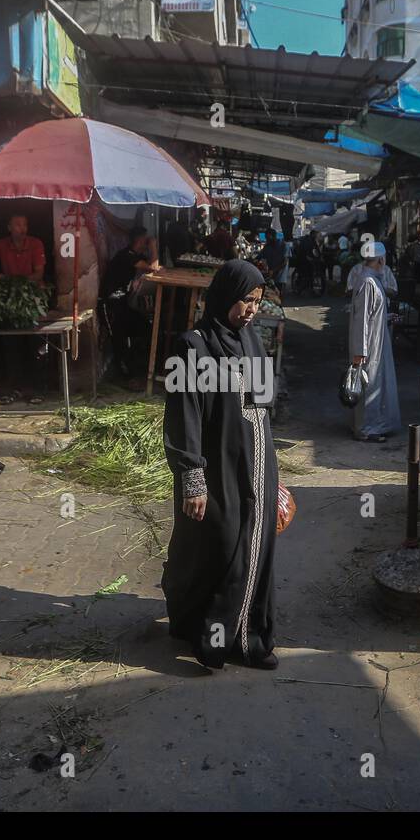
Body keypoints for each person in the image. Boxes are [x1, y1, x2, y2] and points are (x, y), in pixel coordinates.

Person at [162, 260, 279, 671]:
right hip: (218, 469)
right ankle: (211, 637)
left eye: (257, 301)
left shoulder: (252, 341)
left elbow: (264, 407)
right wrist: (192, 479)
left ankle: (249, 639)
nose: (250, 309)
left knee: (256, 547)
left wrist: (273, 481)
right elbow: (184, 415)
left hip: (259, 463)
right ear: (226, 295)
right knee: (221, 545)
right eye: (246, 299)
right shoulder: (192, 345)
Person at [348, 241, 402, 443]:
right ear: (381, 259)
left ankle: (372, 425)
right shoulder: (368, 283)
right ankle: (366, 429)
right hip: (369, 346)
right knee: (368, 386)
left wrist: (388, 317)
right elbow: (361, 319)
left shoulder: (372, 280)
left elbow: (372, 316)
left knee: (373, 385)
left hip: (376, 342)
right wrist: (359, 351)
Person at [102, 227, 160, 378]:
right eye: (145, 240)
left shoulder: (133, 255)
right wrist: (153, 246)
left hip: (122, 301)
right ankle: (122, 371)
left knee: (145, 328)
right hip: (112, 302)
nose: (147, 243)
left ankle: (134, 363)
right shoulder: (127, 255)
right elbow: (153, 267)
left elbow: (151, 265)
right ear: (140, 240)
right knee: (118, 337)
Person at [0, 214, 47, 284]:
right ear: (9, 228)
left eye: (25, 225)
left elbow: (39, 274)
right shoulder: (0, 244)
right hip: (9, 287)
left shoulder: (36, 243)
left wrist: (17, 281)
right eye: (18, 225)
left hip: (32, 287)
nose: (23, 229)